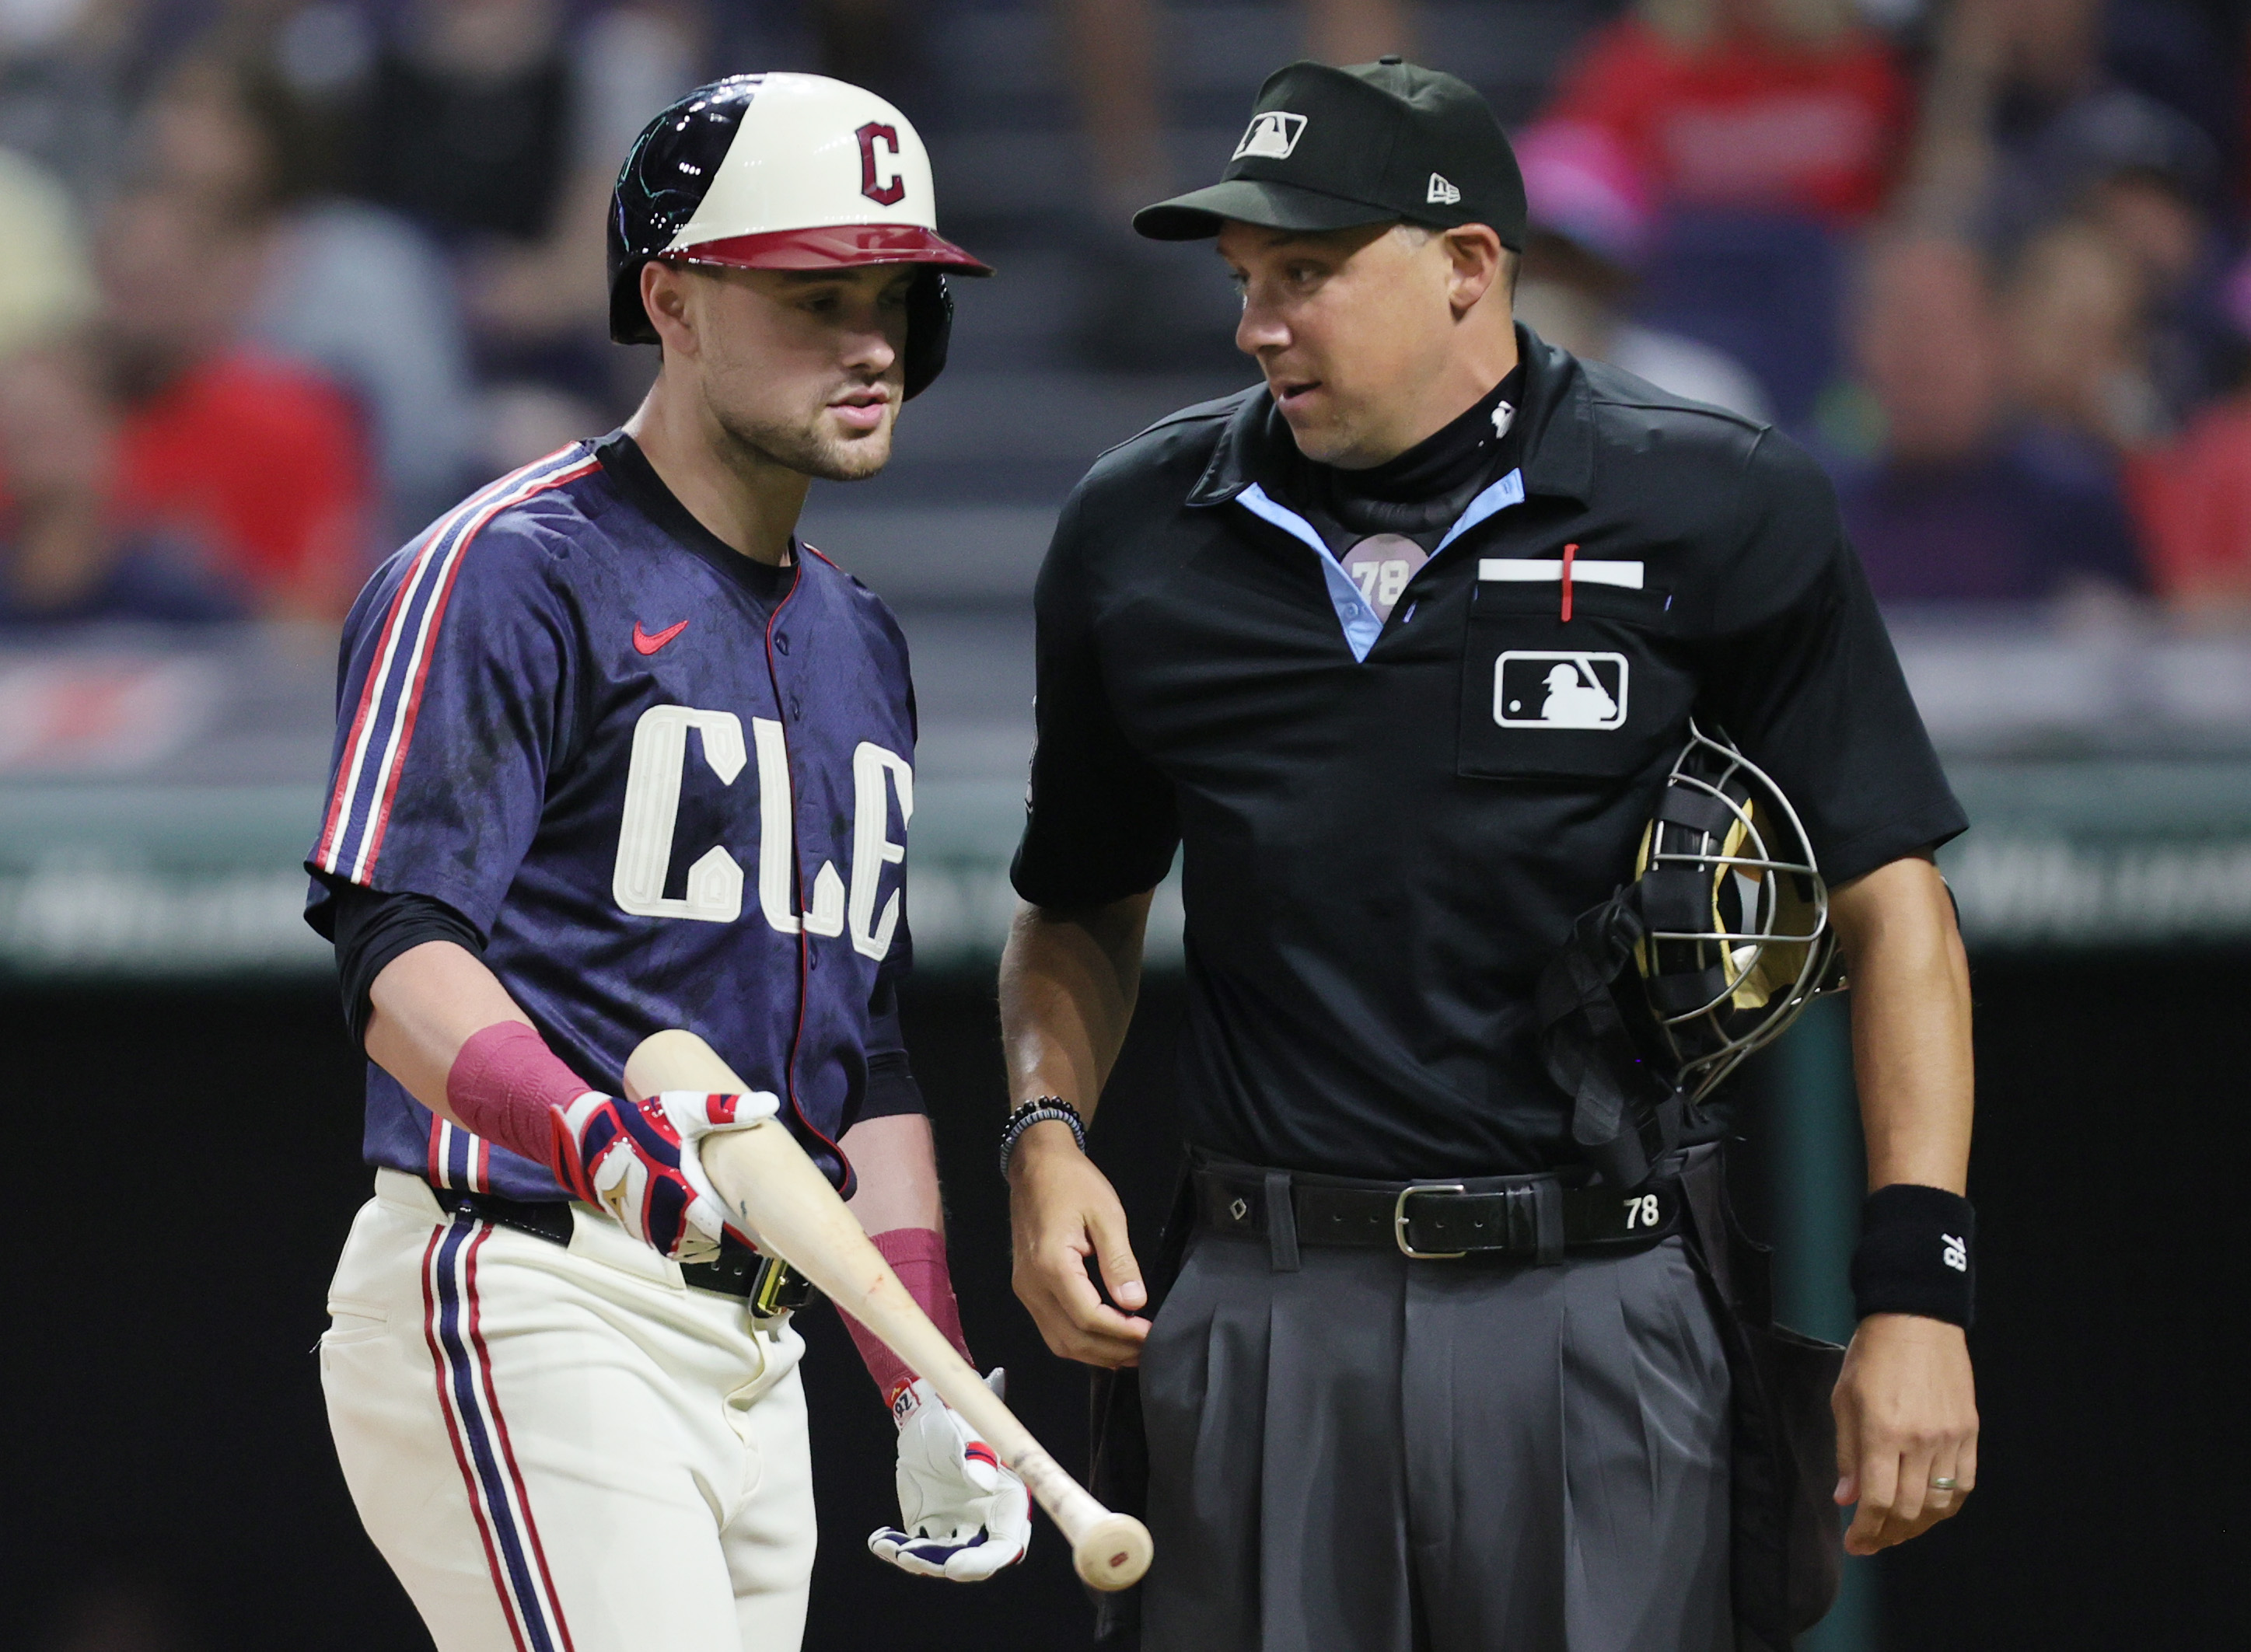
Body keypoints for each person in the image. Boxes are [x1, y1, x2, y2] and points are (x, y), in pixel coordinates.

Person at [999, 58, 1980, 1652]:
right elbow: (1079, 899)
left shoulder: (1711, 503)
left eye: (1305, 273)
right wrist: (1043, 1132)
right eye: (1246, 279)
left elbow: (1896, 908)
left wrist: (1914, 1286)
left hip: (1591, 1289)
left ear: (1466, 267)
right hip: (1266, 1299)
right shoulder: (1138, 530)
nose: (1257, 321)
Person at [307, 74, 1029, 1651]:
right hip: (533, 1279)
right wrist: (587, 1136)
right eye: (814, 294)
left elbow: (870, 1056)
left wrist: (925, 1367)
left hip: (751, 1353)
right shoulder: (509, 568)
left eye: (896, 297)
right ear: (670, 301)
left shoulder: (858, 634)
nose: (872, 341)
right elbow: (391, 935)